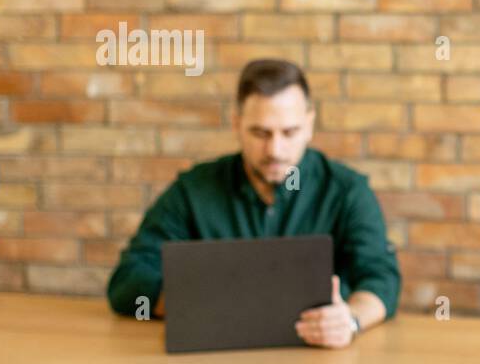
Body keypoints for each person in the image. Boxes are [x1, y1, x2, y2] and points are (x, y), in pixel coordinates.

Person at [107, 58, 400, 347]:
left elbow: (381, 279)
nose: (275, 150)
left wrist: (350, 319)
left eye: (289, 132)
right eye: (260, 133)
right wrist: (202, 305)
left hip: (318, 363)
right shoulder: (193, 191)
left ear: (310, 125)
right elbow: (127, 282)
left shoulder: (347, 191)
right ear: (237, 124)